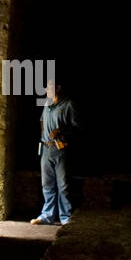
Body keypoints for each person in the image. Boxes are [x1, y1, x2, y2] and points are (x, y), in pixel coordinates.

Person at [31, 78, 79, 226]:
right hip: (46, 148)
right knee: (47, 184)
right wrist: (44, 135)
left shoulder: (68, 104)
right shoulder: (47, 103)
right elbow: (41, 120)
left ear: (58, 88)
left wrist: (61, 131)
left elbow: (77, 127)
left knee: (63, 185)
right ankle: (47, 215)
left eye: (50, 86)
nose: (47, 90)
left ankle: (66, 218)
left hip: (60, 149)